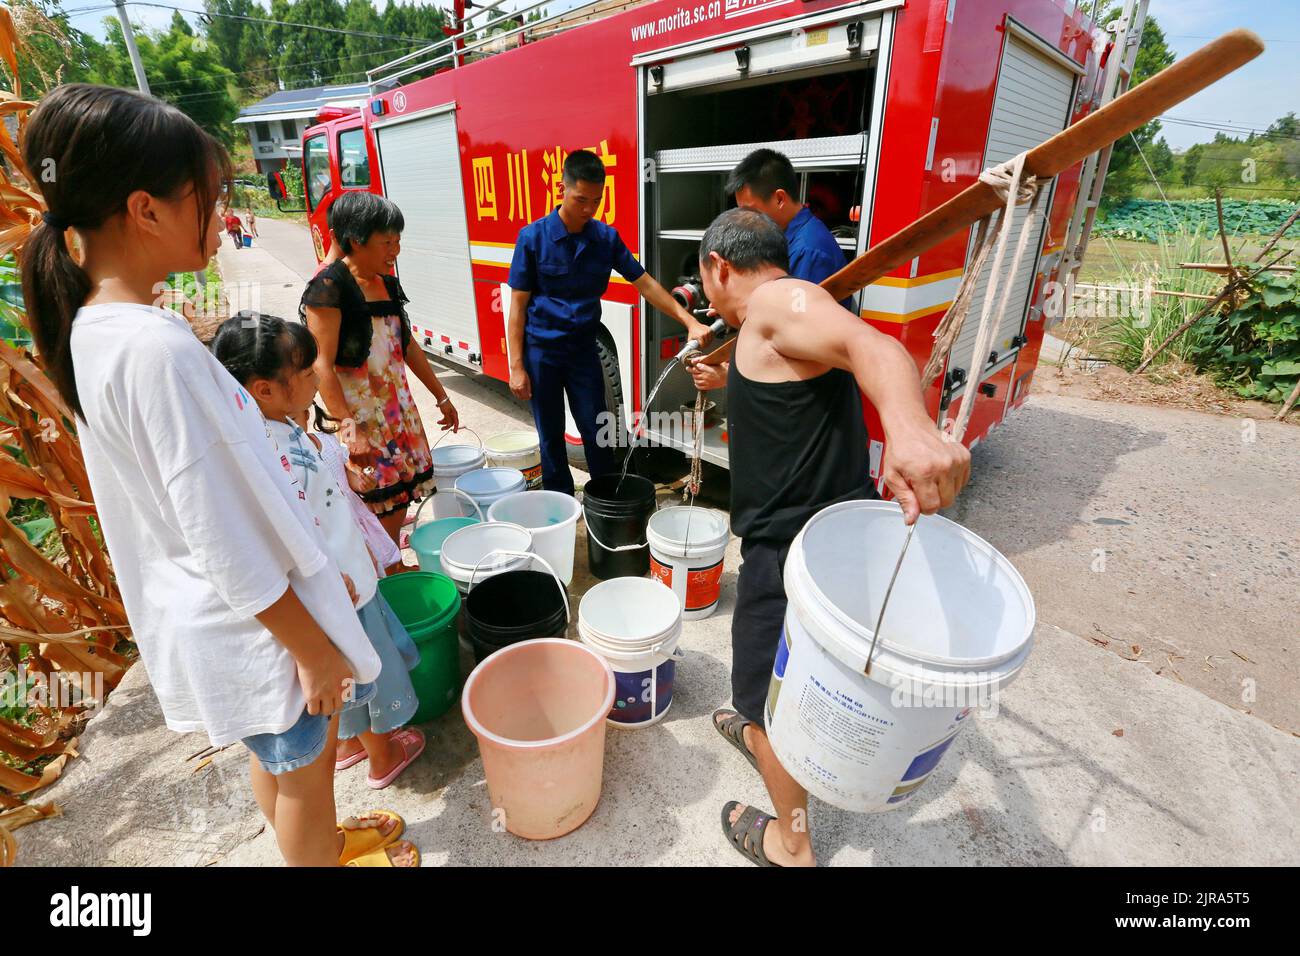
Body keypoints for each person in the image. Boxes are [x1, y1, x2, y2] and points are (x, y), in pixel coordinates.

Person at [22, 83, 411, 866]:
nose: (220, 212)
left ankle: (325, 845)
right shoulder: (155, 349)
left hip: (222, 622)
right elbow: (224, 534)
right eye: (211, 195)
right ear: (146, 210)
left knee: (277, 767)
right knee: (304, 780)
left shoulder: (100, 330)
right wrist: (314, 648)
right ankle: (320, 852)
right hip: (261, 629)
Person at [688, 209, 971, 867]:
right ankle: (756, 728)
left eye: (706, 283)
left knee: (774, 701)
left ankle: (792, 844)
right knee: (790, 687)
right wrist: (727, 382)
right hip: (830, 542)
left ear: (718, 268)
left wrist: (910, 429)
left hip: (790, 558)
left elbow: (873, 347)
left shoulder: (777, 301)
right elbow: (790, 394)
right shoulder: (773, 324)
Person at [212, 314, 426, 807]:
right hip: (338, 592)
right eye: (307, 371)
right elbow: (286, 531)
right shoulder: (266, 453)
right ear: (264, 389)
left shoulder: (277, 425)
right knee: (360, 674)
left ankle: (349, 744)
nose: (317, 377)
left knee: (343, 688)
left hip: (340, 581)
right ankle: (383, 755)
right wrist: (330, 578)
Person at [506, 149, 715, 495]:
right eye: (581, 200)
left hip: (583, 353)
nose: (589, 209)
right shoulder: (533, 238)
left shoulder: (604, 238)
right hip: (541, 353)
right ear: (562, 189)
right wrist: (517, 365)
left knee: (598, 431)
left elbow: (645, 283)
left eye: (596, 201)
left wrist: (687, 320)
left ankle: (605, 500)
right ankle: (561, 505)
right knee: (551, 436)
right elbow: (517, 307)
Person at [301, 191, 459, 552]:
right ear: (355, 241)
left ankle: (389, 565)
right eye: (386, 242)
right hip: (359, 416)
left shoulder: (386, 282)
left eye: (398, 241)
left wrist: (441, 395)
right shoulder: (328, 288)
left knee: (400, 496)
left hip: (397, 409)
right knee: (373, 500)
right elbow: (320, 363)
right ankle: (384, 571)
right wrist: (348, 427)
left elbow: (408, 344)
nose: (395, 251)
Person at [692, 148, 855, 393]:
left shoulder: (807, 252)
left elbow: (797, 342)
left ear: (779, 199)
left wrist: (729, 376)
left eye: (750, 211)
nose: (744, 221)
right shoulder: (782, 241)